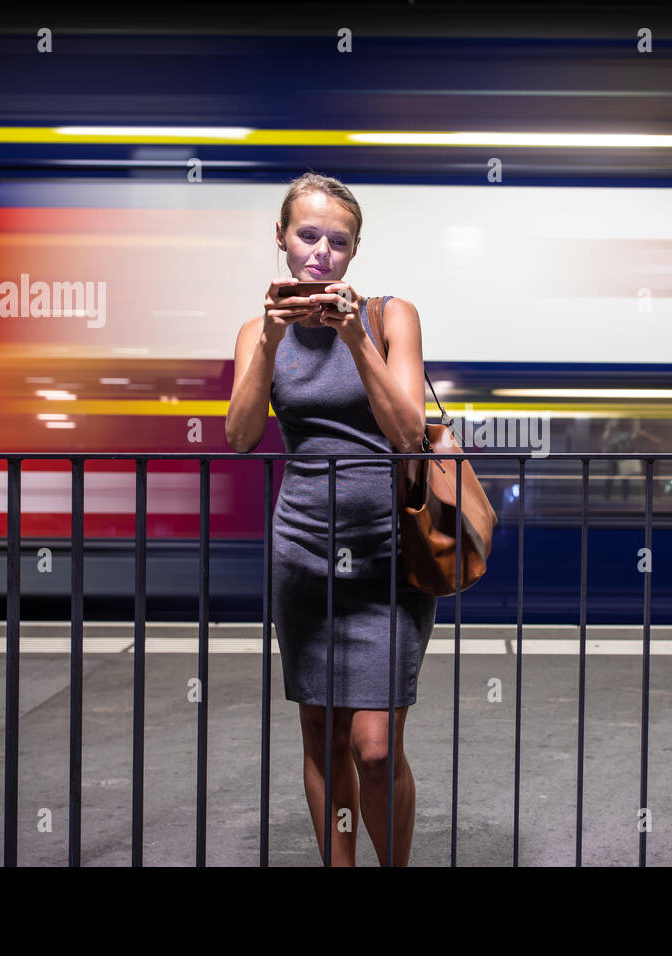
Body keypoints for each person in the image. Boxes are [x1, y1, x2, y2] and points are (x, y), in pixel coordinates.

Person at [225, 172, 435, 866]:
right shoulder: (259, 331)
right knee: (320, 733)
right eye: (307, 235)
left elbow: (408, 434)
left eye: (337, 241)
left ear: (354, 249)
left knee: (374, 747)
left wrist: (353, 340)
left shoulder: (389, 316)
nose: (321, 252)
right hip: (303, 551)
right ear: (282, 239)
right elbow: (240, 436)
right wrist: (268, 344)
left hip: (382, 555)